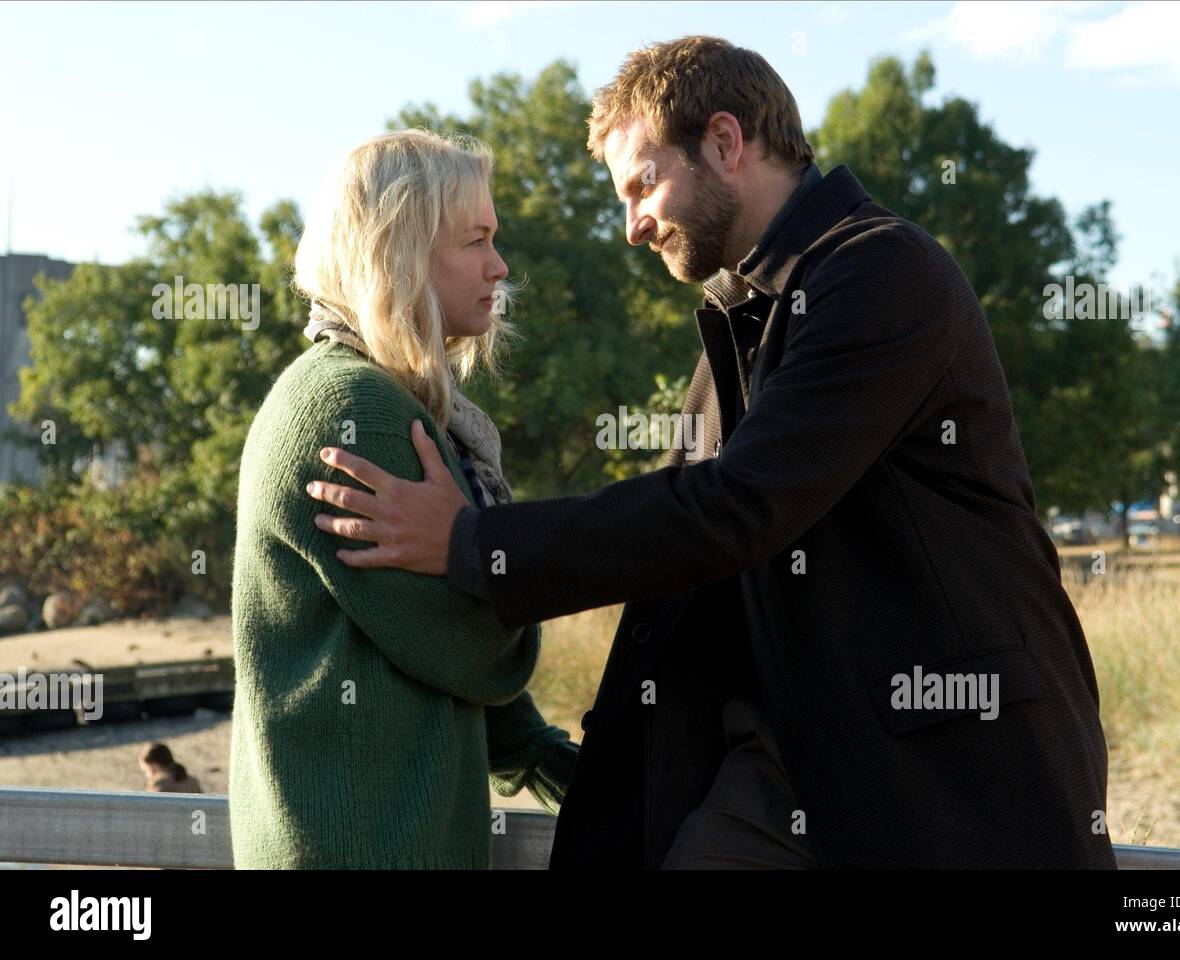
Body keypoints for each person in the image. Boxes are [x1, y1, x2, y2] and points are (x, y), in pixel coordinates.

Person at [307, 37, 1116, 869]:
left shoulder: (882, 275)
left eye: (643, 185)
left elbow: (737, 508)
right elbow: (683, 559)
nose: (633, 227)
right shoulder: (743, 317)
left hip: (946, 772)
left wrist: (471, 545)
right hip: (794, 762)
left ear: (726, 143)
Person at [229, 129, 578, 869]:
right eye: (475, 240)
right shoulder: (350, 407)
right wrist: (497, 567)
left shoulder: (370, 394)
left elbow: (427, 641)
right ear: (401, 249)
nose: (499, 265)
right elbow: (474, 643)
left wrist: (548, 760)